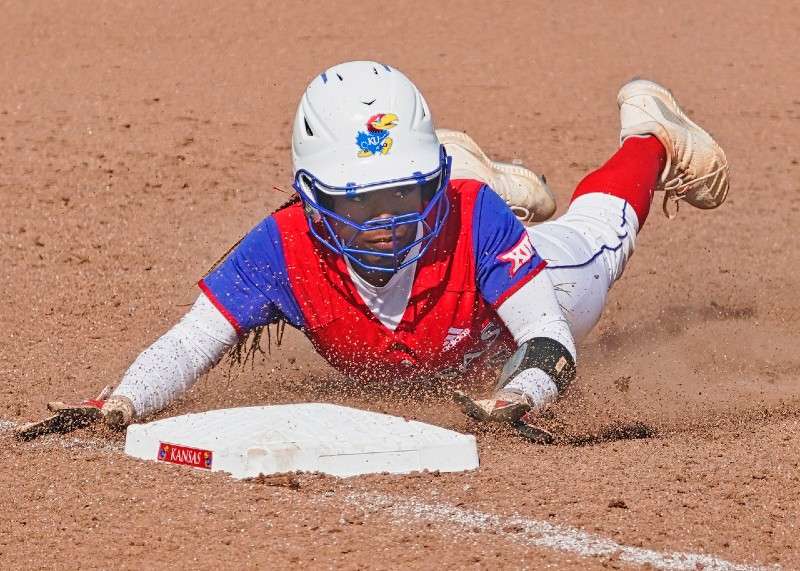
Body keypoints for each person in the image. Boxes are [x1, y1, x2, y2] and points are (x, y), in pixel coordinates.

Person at [16, 60, 728, 442]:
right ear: (309, 197)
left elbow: (548, 337)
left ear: (432, 185)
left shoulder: (467, 219)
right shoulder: (282, 247)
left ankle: (650, 134)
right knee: (451, 203)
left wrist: (522, 393)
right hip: (463, 217)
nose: (386, 223)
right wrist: (123, 400)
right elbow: (190, 341)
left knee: (596, 238)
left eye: (405, 195)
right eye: (359, 204)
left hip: (518, 273)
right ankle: (476, 171)